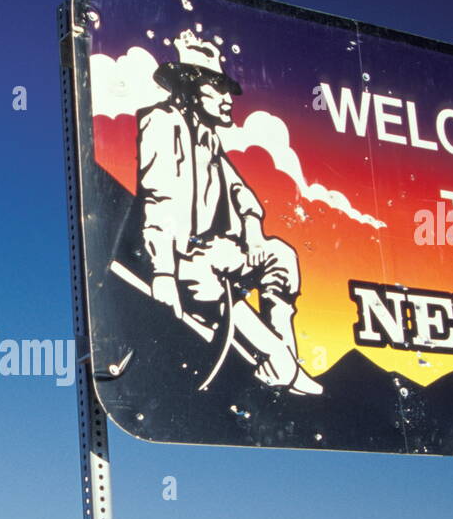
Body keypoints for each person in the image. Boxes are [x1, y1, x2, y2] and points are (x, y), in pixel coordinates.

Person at [136, 29, 321, 395]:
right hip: (182, 255)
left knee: (281, 256)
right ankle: (277, 358)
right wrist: (163, 273)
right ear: (190, 87)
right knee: (206, 279)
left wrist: (253, 230)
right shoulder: (162, 123)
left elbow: (241, 192)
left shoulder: (209, 137)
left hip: (219, 248)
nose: (227, 99)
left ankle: (284, 365)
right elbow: (158, 200)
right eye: (217, 89)